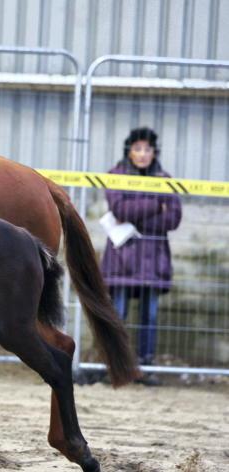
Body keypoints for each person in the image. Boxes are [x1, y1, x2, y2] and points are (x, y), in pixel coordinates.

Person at [101, 127, 182, 385]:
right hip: (122, 259)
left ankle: (145, 366)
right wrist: (156, 204)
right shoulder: (116, 175)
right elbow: (119, 208)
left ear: (154, 152)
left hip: (153, 260)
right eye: (138, 148)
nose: (143, 154)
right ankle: (116, 365)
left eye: (147, 149)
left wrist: (138, 212)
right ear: (129, 151)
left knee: (150, 316)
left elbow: (174, 217)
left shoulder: (164, 177)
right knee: (118, 312)